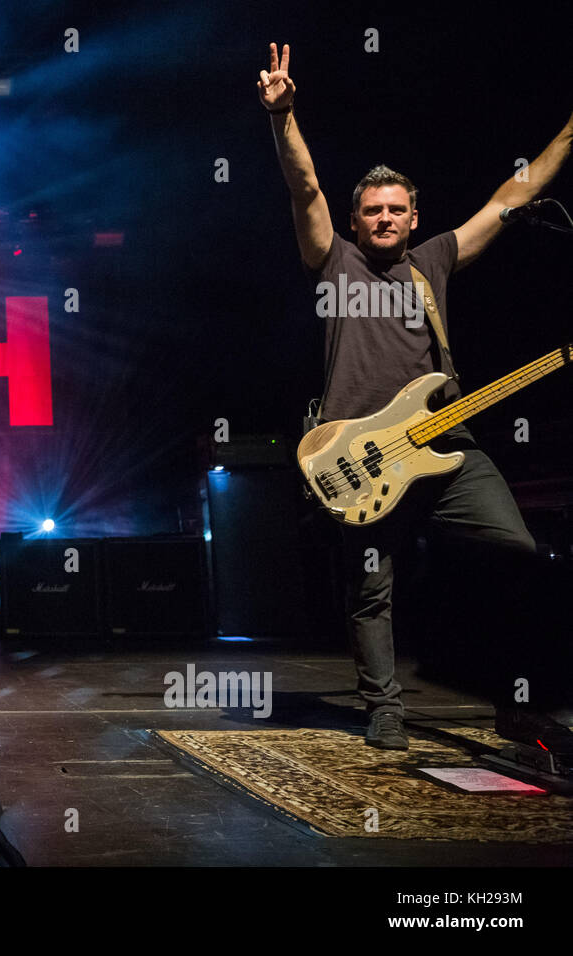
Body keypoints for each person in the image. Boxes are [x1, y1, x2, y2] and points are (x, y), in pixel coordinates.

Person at [259, 43, 573, 750]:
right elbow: (304, 188)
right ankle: (385, 708)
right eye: (372, 209)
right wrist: (284, 117)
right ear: (356, 215)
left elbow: (511, 197)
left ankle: (520, 703)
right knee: (373, 589)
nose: (384, 219)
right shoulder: (332, 258)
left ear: (414, 215)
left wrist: (569, 135)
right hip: (364, 456)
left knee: (515, 559)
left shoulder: (433, 262)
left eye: (397, 209)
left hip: (447, 446)